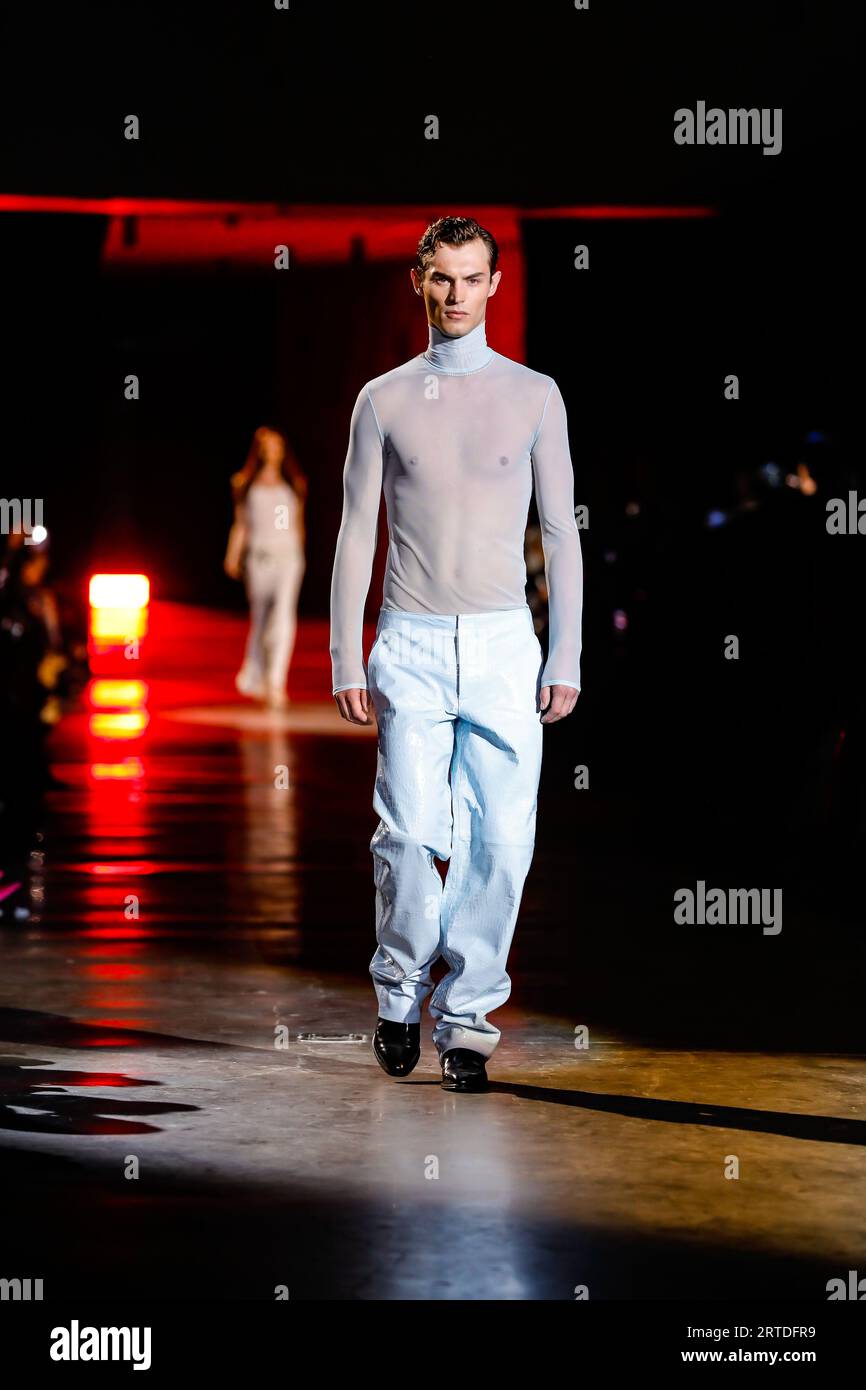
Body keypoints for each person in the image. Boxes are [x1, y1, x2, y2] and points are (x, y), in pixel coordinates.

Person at [329, 215, 583, 1093]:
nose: (456, 294)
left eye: (473, 278)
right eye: (442, 277)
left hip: (509, 641)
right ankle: (400, 991)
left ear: (495, 285)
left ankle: (467, 1019)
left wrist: (566, 653)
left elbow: (562, 532)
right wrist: (345, 655)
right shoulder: (384, 398)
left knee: (502, 841)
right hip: (411, 637)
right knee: (406, 835)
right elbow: (357, 529)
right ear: (418, 281)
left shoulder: (536, 394)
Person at [225, 425, 307, 708]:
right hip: (259, 557)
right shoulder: (244, 483)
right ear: (259, 451)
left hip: (288, 557)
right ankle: (256, 674)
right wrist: (233, 555)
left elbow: (297, 525)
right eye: (268, 447)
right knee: (261, 618)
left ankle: (276, 680)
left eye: (277, 446)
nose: (273, 452)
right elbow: (242, 524)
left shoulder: (293, 483)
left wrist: (299, 555)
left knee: (284, 616)